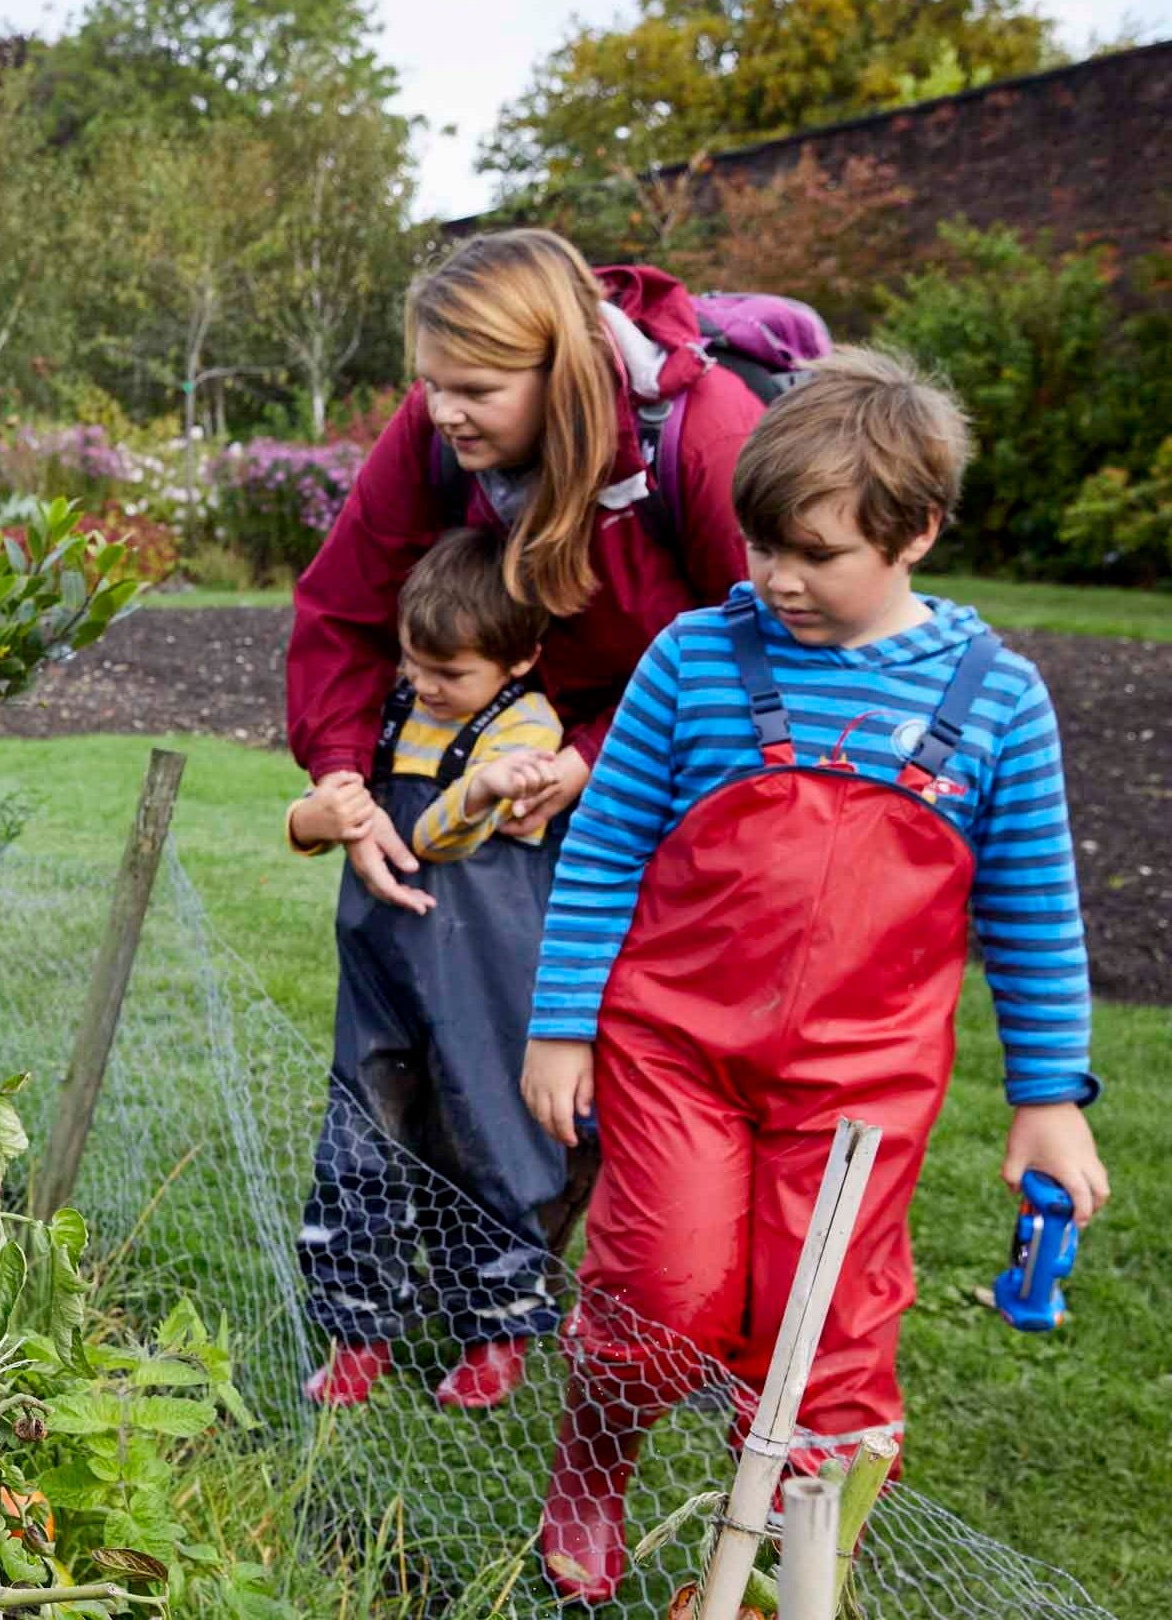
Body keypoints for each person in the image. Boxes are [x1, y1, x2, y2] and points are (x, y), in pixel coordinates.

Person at [520, 349, 1108, 1604]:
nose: (777, 578)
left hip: (861, 1091)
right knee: (661, 1296)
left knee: (825, 1344)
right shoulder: (693, 661)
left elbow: (1033, 916)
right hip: (677, 1056)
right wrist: (562, 1023)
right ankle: (594, 1466)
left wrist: (1050, 1097)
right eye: (762, 544)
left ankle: (775, 1584)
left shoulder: (996, 703)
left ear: (917, 533)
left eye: (817, 553)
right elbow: (605, 852)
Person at [287, 227, 768, 917]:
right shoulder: (433, 427)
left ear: (561, 371)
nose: (443, 412)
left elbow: (763, 643)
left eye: (476, 390)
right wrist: (342, 781)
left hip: (679, 784)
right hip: (507, 778)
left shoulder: (705, 440)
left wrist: (593, 756)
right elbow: (345, 606)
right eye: (431, 383)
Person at [289, 528, 569, 1410]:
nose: (425, 685)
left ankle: (495, 1332)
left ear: (521, 660)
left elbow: (432, 838)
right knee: (360, 1149)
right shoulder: (393, 711)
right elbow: (318, 818)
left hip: (485, 983)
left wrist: (481, 791)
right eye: (413, 663)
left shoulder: (527, 734)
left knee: (486, 1145)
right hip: (381, 975)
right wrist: (310, 817)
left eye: (451, 673)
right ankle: (358, 1329)